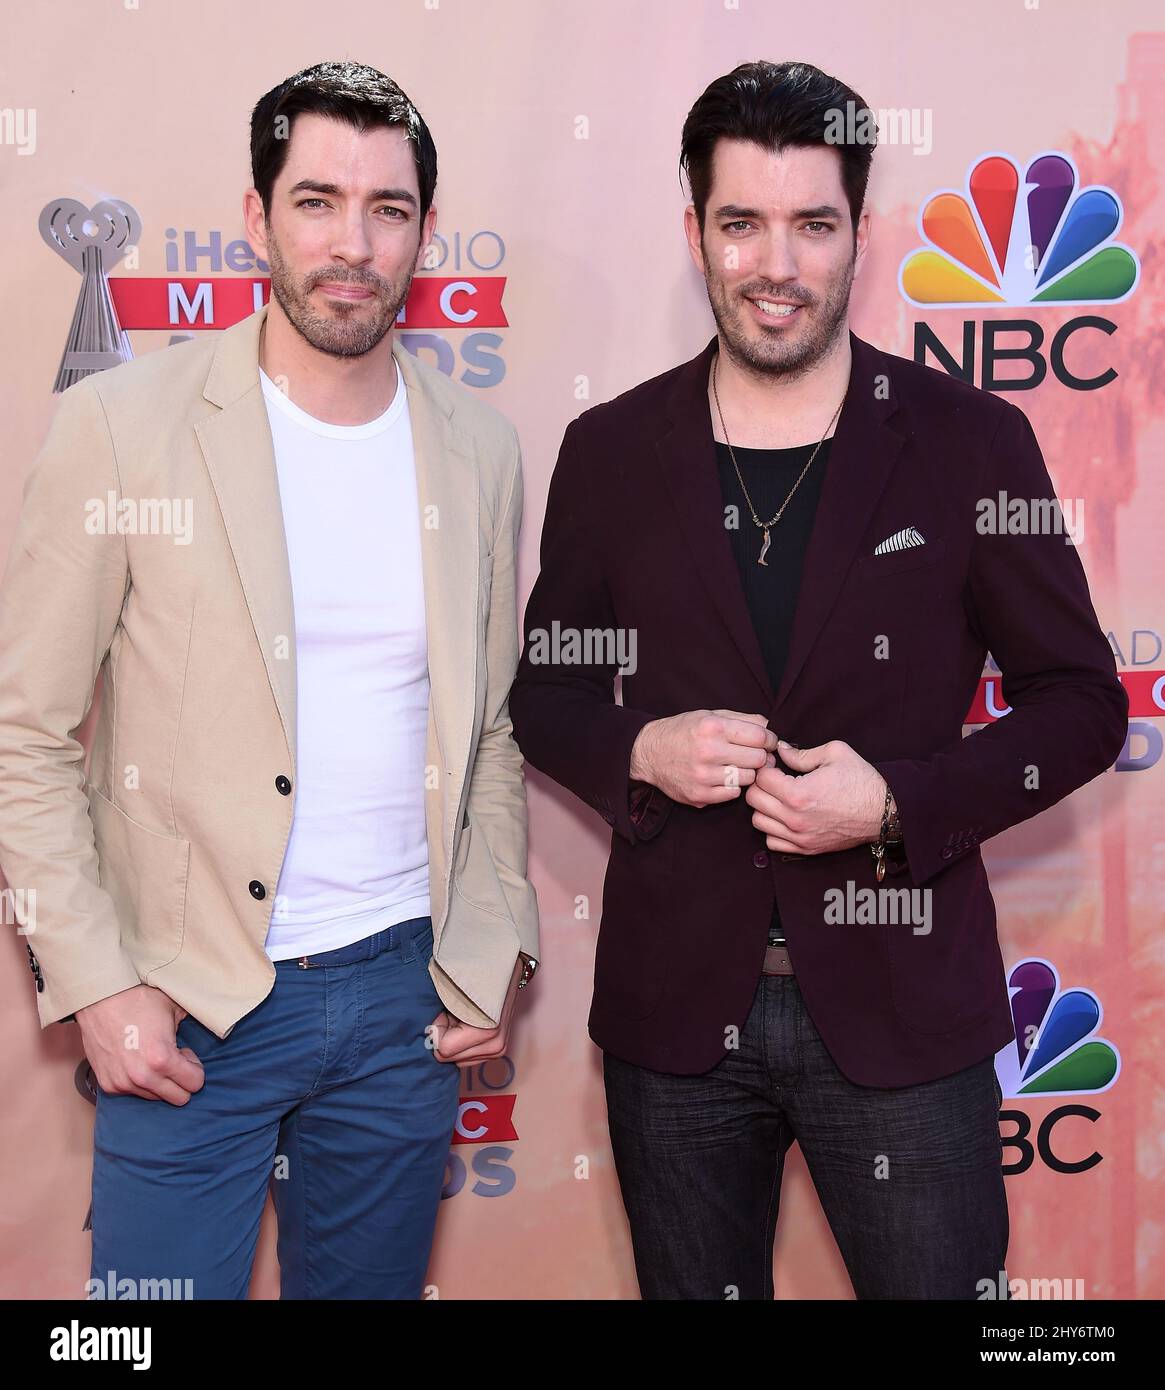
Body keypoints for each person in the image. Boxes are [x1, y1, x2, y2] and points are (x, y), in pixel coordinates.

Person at [507, 59, 1127, 1299]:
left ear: (860, 231)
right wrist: (642, 751)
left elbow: (1081, 703)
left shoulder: (967, 442)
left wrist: (894, 803)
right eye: (742, 223)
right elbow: (546, 694)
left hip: (905, 1013)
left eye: (812, 224)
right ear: (694, 231)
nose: (776, 264)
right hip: (675, 1024)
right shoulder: (611, 449)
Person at [0, 60, 539, 1300]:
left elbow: (491, 732)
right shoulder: (122, 427)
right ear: (255, 217)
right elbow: (24, 733)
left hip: (403, 1001)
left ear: (424, 231)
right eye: (316, 202)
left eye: (387, 209)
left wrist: (495, 937)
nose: (352, 244)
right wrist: (95, 981)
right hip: (188, 1000)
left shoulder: (480, 449)